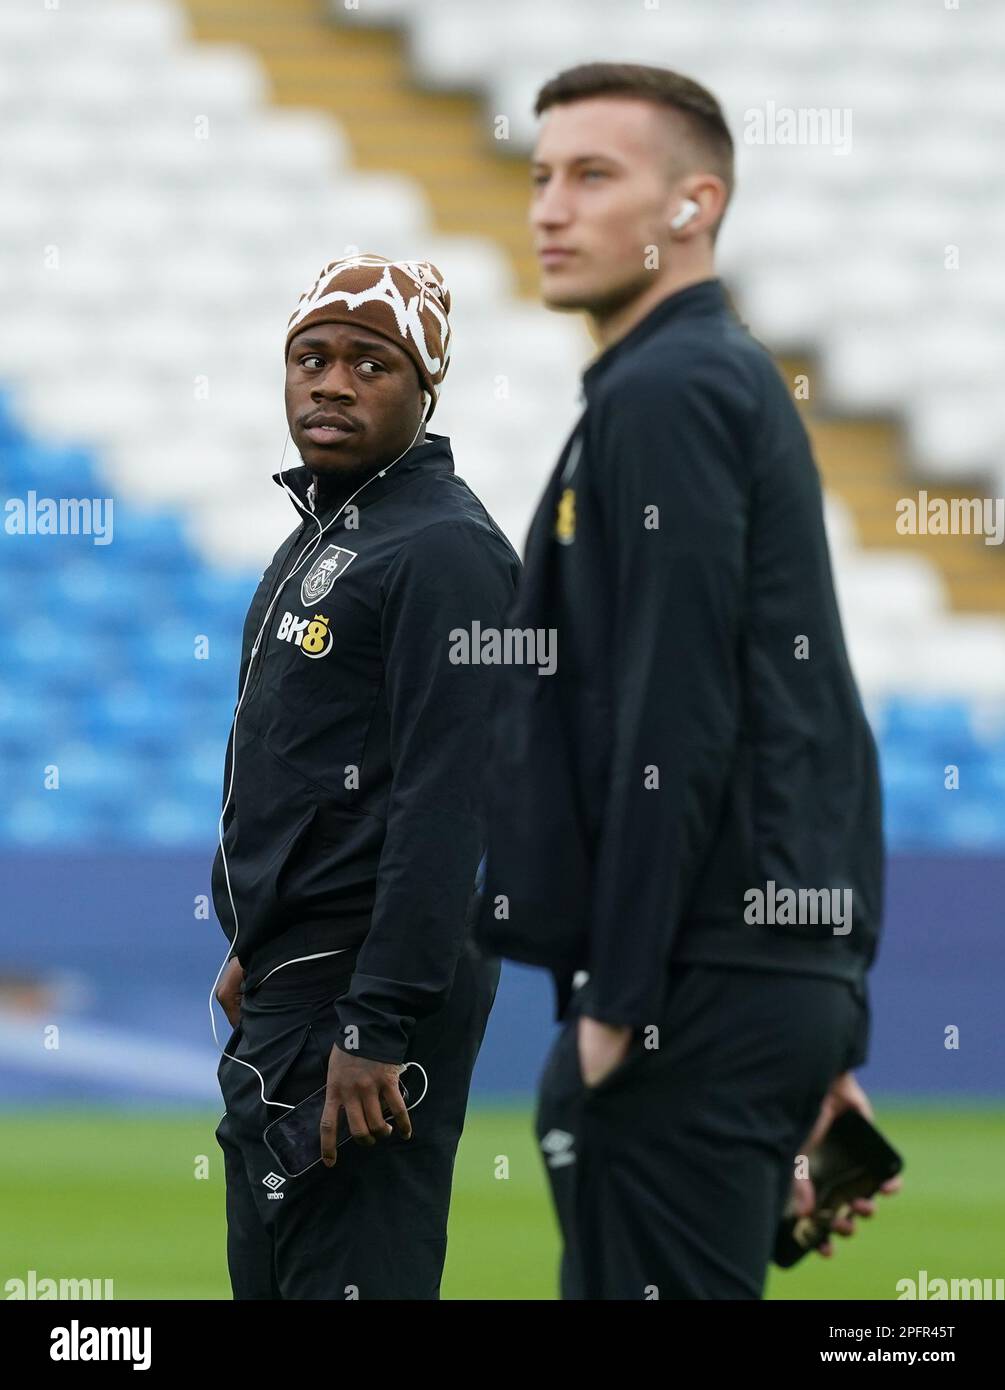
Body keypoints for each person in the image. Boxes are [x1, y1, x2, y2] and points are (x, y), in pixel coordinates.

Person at [478, 63, 899, 1300]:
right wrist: (826, 1007)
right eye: (542, 175)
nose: (550, 207)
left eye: (593, 175)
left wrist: (618, 1008)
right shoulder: (709, 378)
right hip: (754, 973)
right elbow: (820, 713)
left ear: (692, 204)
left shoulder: (669, 389)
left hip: (695, 985)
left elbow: (679, 709)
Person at [210, 253, 519, 1300]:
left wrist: (376, 1021)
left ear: (425, 384)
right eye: (310, 356)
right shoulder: (332, 531)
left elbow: (451, 805)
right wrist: (261, 936)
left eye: (368, 362)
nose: (329, 382)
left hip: (359, 1002)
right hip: (298, 981)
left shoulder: (446, 552)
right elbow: (298, 763)